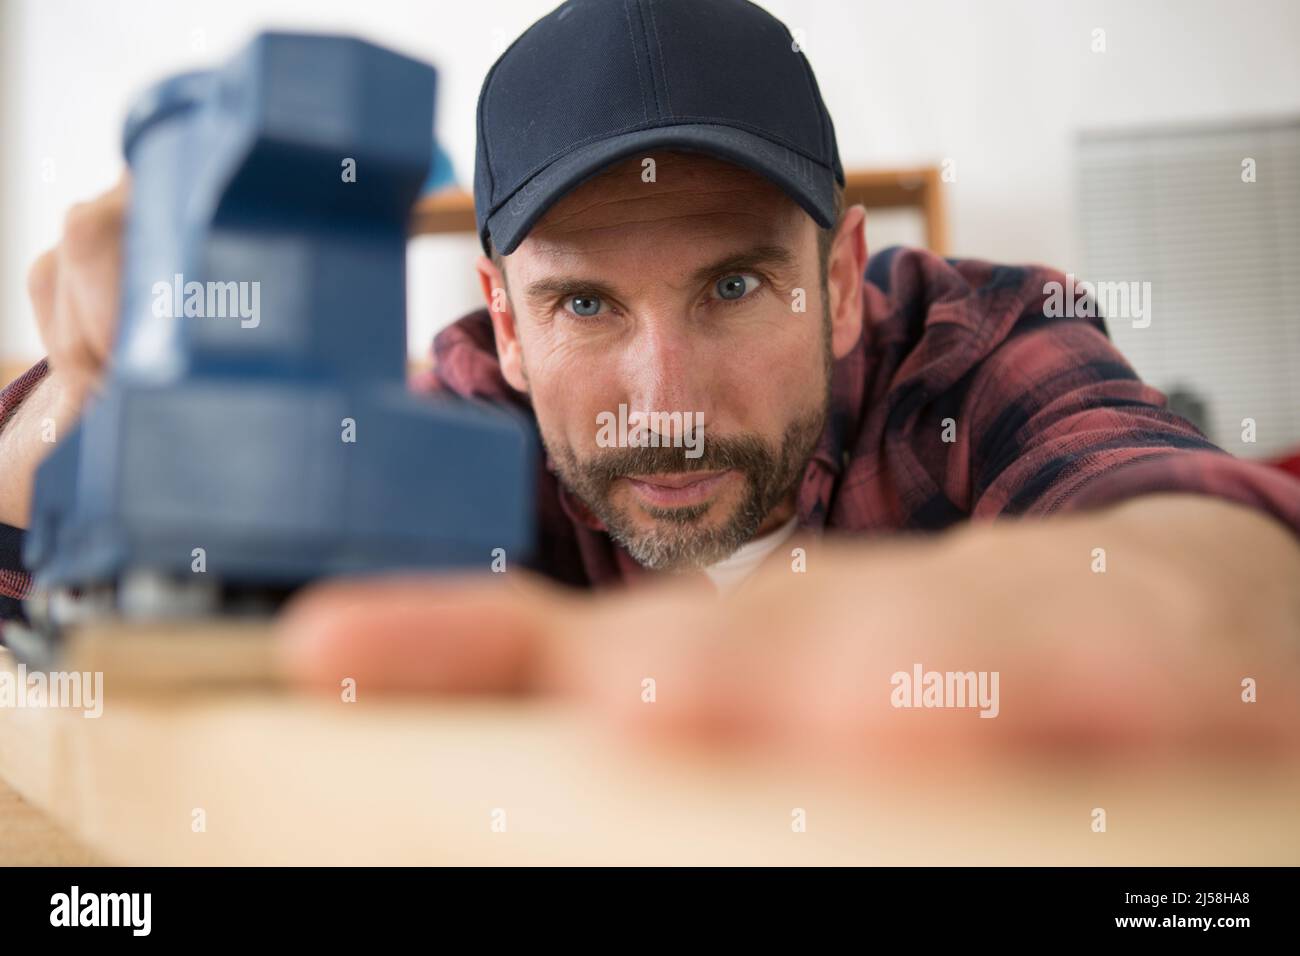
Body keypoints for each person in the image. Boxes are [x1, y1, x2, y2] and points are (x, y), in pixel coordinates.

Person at [1, 0, 1297, 761]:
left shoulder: (984, 343)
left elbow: (1176, 518)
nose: (661, 392)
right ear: (503, 321)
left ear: (845, 279)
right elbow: (89, 615)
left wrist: (1186, 603)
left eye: (734, 288)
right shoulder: (461, 433)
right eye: (582, 304)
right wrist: (94, 405)